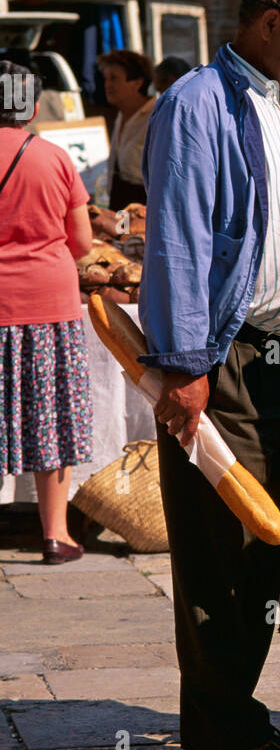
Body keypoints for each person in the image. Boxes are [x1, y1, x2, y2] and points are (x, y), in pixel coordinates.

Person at [139, 0, 280, 750]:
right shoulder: (200, 103)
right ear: (266, 25)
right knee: (219, 546)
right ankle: (222, 732)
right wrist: (187, 365)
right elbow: (182, 242)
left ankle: (236, 710)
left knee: (265, 545)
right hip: (224, 360)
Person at [0, 60, 93, 563]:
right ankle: (56, 535)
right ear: (33, 105)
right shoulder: (54, 158)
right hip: (48, 305)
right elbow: (81, 242)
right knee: (50, 419)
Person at [98, 51, 155, 210]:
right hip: (120, 209)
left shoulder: (156, 117)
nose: (107, 85)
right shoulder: (121, 114)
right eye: (106, 78)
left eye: (114, 78)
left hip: (145, 210)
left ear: (137, 83)